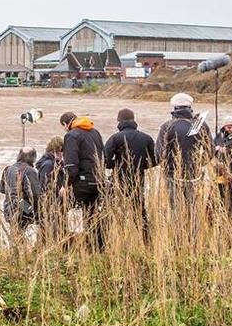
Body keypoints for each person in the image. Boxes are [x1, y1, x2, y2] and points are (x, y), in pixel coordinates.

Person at [104, 108, 157, 242]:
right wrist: (142, 166)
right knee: (139, 210)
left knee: (111, 208)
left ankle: (113, 238)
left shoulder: (115, 138)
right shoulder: (146, 138)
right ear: (133, 120)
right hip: (139, 179)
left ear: (119, 121)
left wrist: (115, 165)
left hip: (119, 179)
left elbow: (105, 160)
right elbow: (156, 159)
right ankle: (146, 240)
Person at [154, 93, 212, 216]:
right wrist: (199, 163)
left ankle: (178, 229)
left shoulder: (167, 126)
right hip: (195, 175)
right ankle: (193, 229)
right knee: (193, 209)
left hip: (173, 176)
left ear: (174, 108)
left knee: (176, 210)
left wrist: (168, 165)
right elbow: (210, 151)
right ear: (190, 107)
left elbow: (158, 155)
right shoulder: (200, 124)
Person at [60, 112, 105, 250]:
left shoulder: (71, 135)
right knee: (92, 213)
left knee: (61, 208)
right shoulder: (95, 132)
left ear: (65, 124)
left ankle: (65, 243)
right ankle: (98, 245)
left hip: (82, 182)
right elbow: (103, 155)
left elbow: (71, 165)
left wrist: (65, 185)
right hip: (98, 180)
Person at [0, 147, 43, 231]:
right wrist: (41, 209)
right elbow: (35, 195)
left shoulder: (8, 169)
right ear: (33, 158)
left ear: (19, 156)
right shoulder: (30, 171)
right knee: (47, 219)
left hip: (8, 208)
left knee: (16, 234)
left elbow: (1, 189)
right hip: (23, 208)